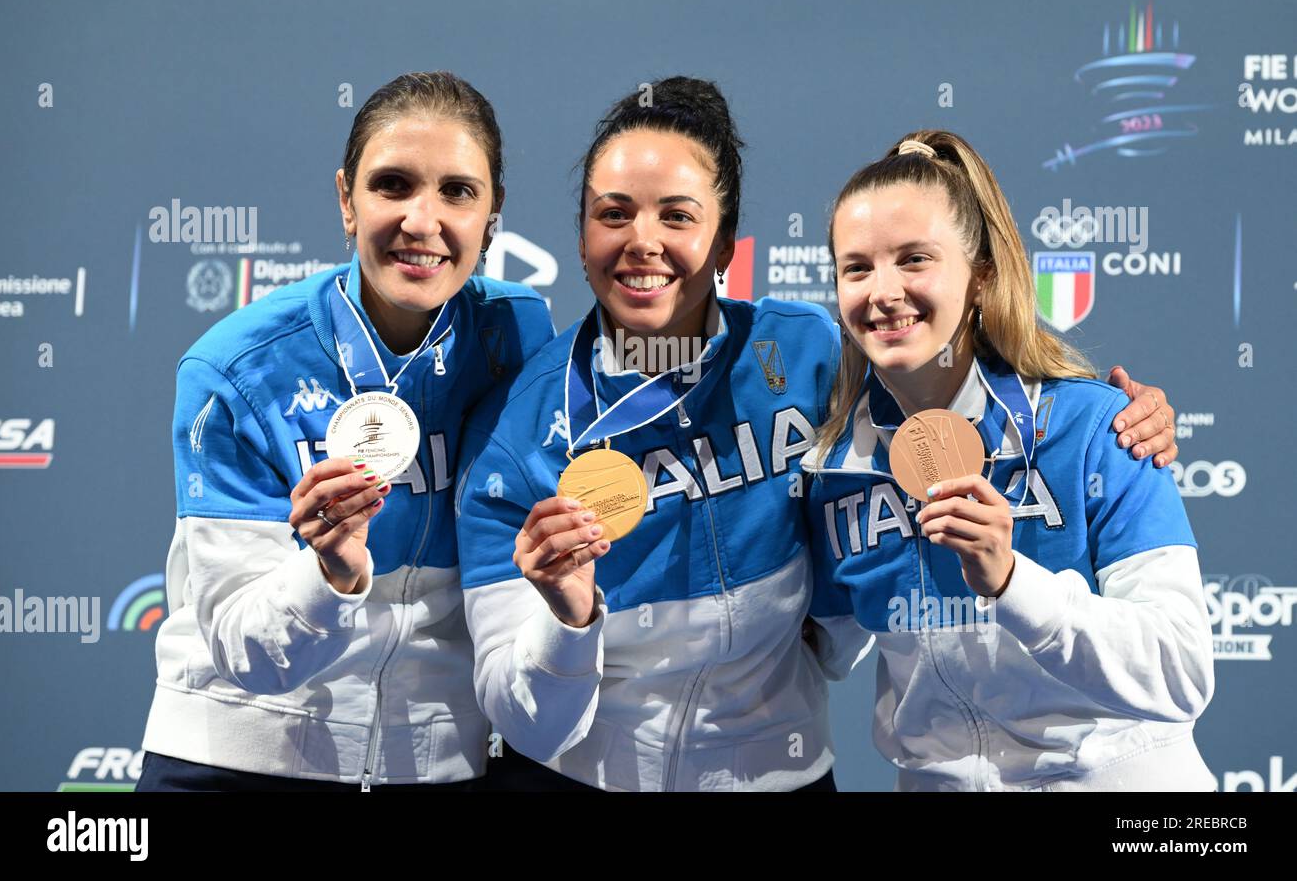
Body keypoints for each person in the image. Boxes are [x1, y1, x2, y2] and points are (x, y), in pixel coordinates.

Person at [453, 79, 1179, 791]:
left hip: (778, 777)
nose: (643, 241)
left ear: (726, 242)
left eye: (678, 216)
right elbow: (530, 728)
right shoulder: (511, 432)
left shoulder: (809, 357)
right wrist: (569, 621)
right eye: (613, 214)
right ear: (580, 234)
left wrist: (1116, 417)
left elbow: (945, 369)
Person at [135, 72, 554, 791]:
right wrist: (328, 572)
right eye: (393, 185)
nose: (423, 222)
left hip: (430, 766)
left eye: (457, 191)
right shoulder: (233, 369)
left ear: (493, 214)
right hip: (236, 757)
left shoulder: (515, 335)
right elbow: (245, 650)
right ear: (346, 201)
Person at [803, 131, 1214, 791]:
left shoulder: (1097, 428)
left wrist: (1011, 581)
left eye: (914, 260)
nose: (882, 292)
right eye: (857, 268)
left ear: (981, 275)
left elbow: (1180, 672)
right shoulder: (839, 471)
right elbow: (808, 651)